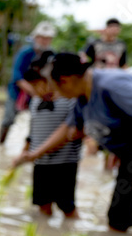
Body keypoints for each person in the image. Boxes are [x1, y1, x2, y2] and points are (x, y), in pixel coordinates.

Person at [19, 53, 132, 236]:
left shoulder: (110, 83)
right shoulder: (81, 97)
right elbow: (68, 129)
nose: (55, 92)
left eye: (54, 86)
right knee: (119, 211)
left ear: (65, 80)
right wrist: (34, 154)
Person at [13, 53, 81, 217]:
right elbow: (33, 130)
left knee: (66, 204)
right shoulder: (36, 102)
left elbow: (74, 130)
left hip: (65, 162)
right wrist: (25, 151)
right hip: (41, 162)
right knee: (42, 202)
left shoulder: (69, 101)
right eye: (33, 86)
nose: (36, 90)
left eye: (39, 85)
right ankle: (44, 231)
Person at [0, 21, 55, 145]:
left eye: (47, 38)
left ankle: (31, 148)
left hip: (40, 93)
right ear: (36, 37)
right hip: (18, 91)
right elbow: (17, 76)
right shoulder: (25, 53)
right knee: (8, 119)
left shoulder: (51, 55)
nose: (44, 41)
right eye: (42, 38)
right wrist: (33, 91)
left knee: (36, 122)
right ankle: (0, 144)